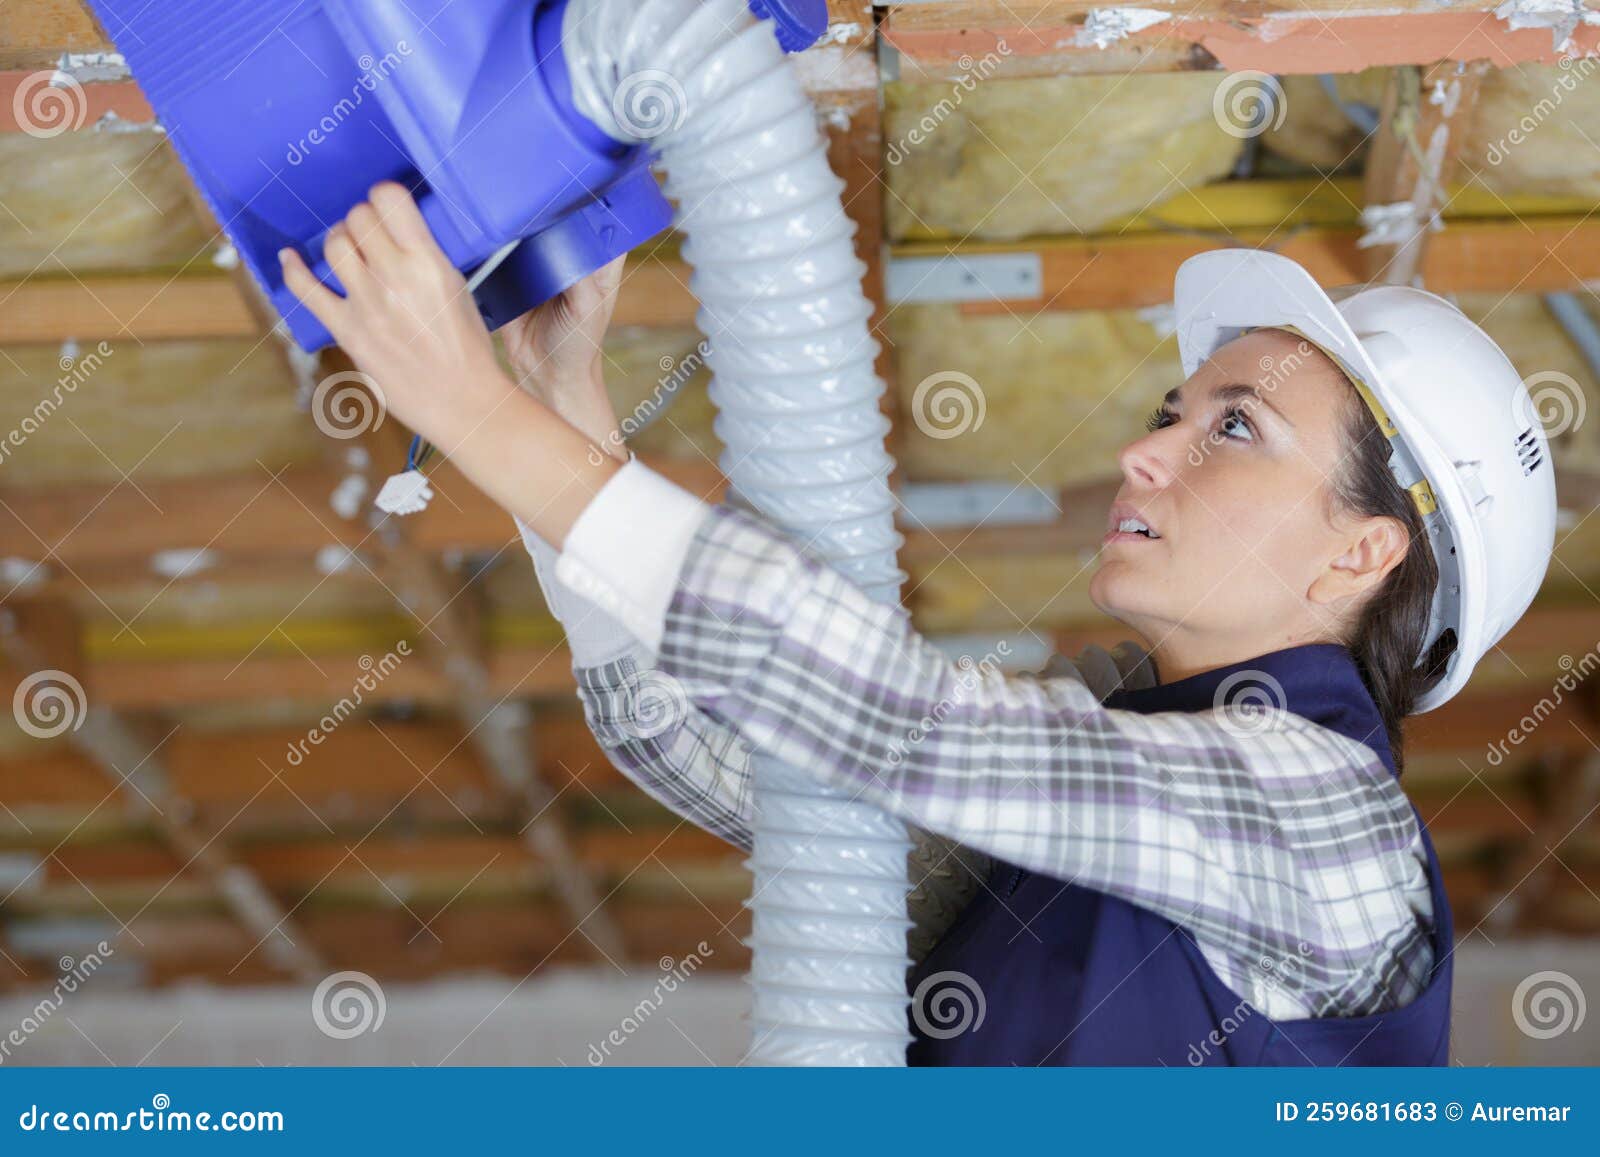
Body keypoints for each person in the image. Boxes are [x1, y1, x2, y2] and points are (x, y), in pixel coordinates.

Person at [280, 182, 1556, 1065]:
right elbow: (706, 744)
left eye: (1234, 426)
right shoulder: (1096, 824)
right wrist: (553, 392)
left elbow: (894, 717)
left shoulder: (1322, 819)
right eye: (1173, 411)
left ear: (1361, 549)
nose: (1145, 449)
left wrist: (471, 413)